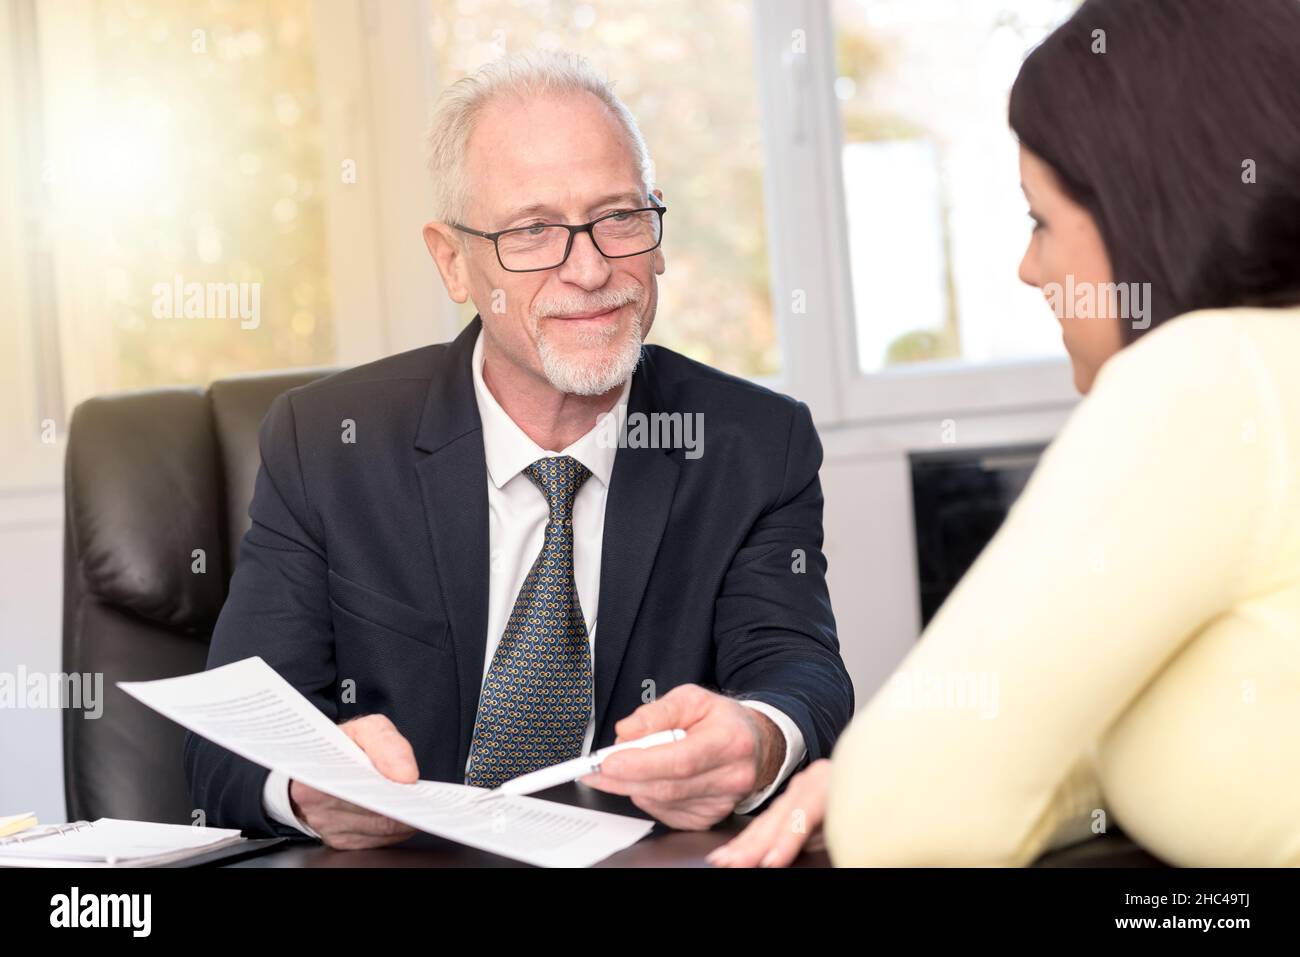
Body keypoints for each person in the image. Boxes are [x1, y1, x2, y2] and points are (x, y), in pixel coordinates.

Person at [183, 49, 854, 848]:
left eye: (619, 216)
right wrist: (305, 786)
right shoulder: (328, 445)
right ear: (451, 261)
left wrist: (756, 736)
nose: (591, 268)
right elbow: (224, 746)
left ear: (657, 225)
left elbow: (800, 674)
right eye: (533, 231)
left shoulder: (753, 443)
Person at [710, 0, 1300, 867]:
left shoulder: (1208, 376)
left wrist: (876, 772)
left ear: (1147, 212)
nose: (1030, 269)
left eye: (1040, 220)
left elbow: (904, 818)